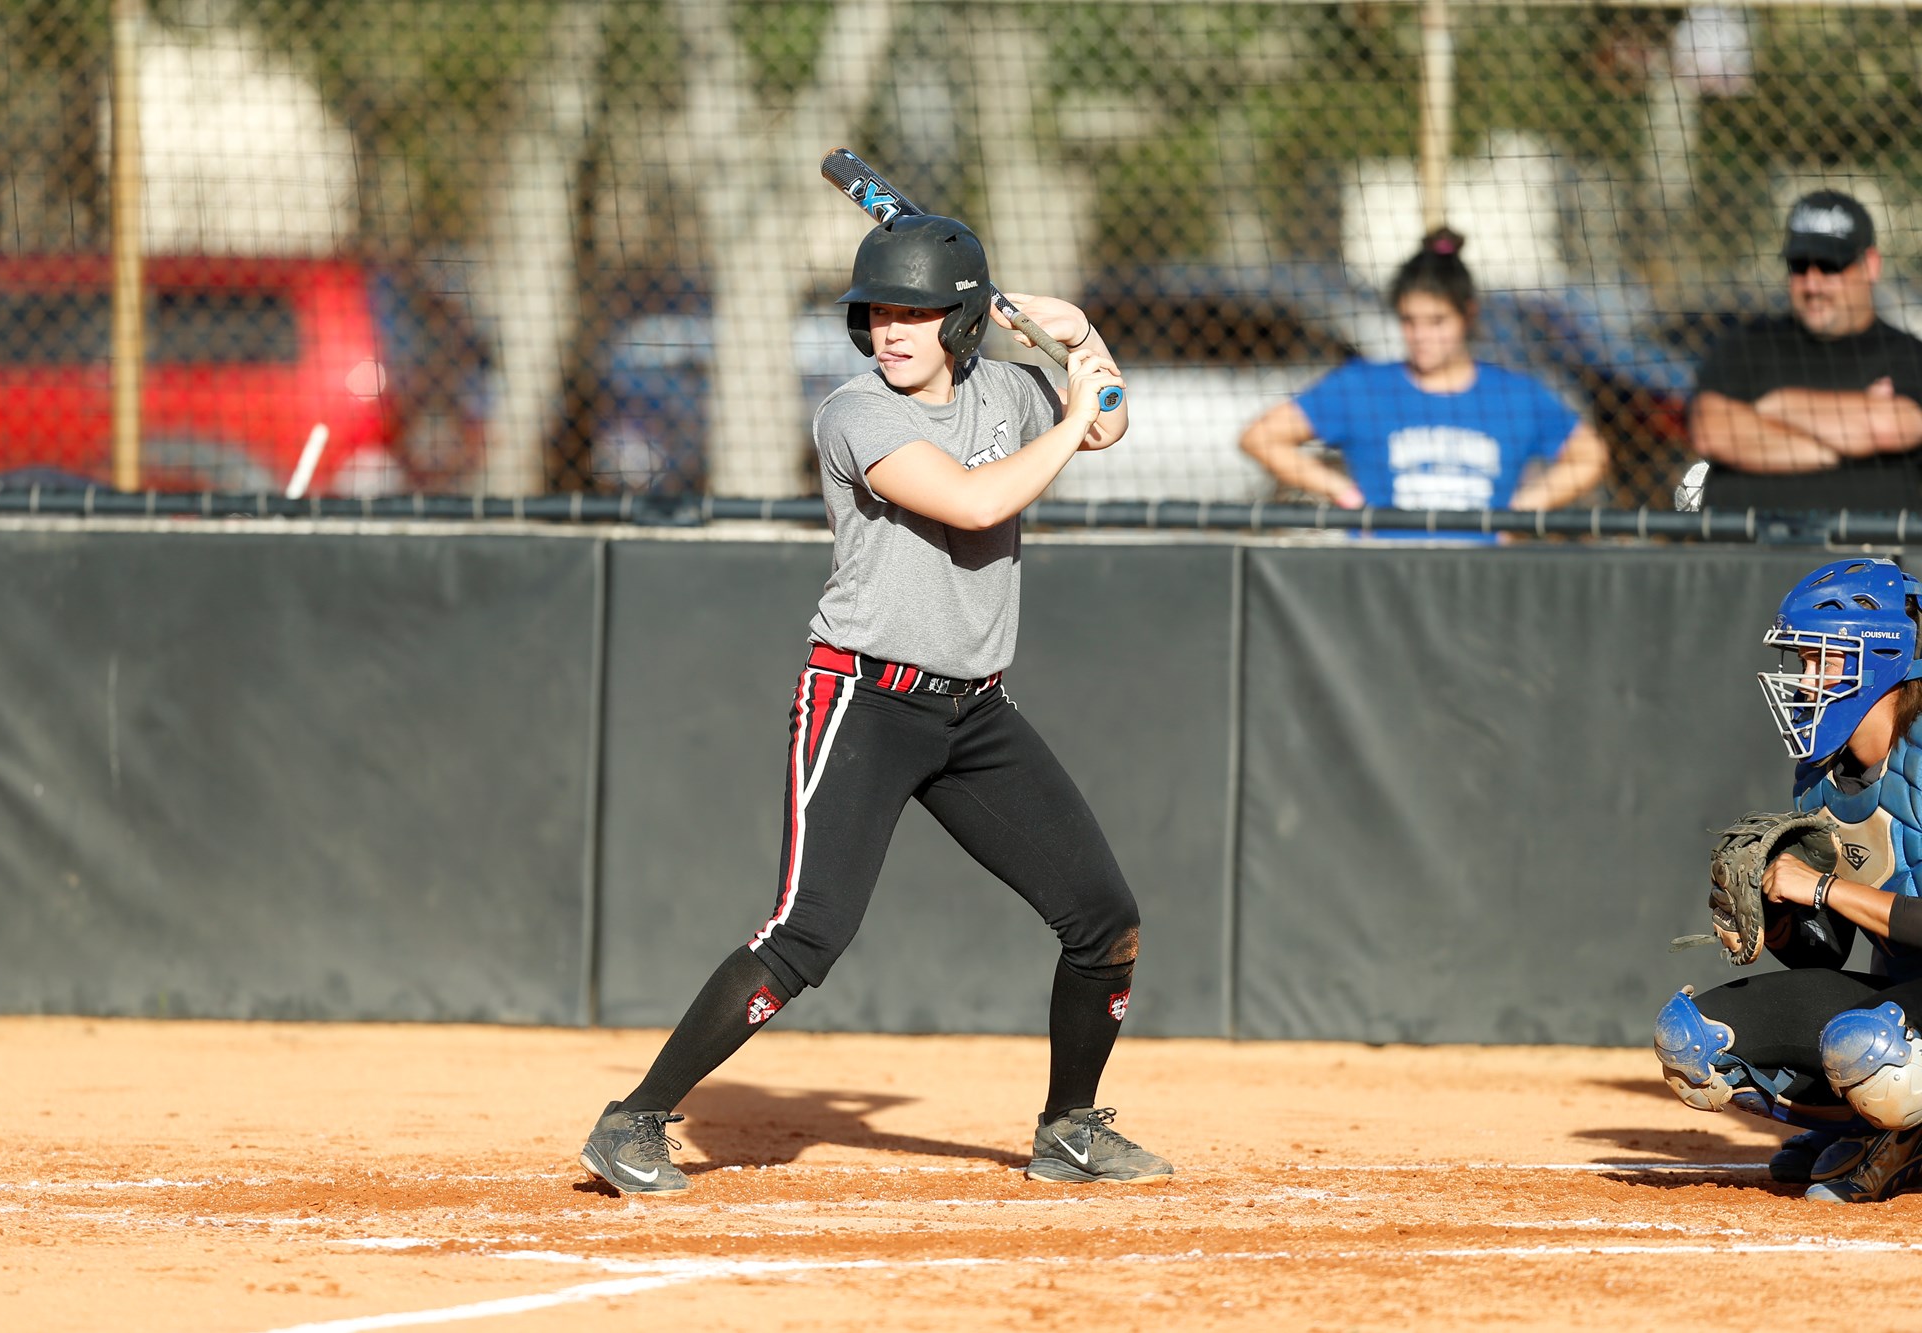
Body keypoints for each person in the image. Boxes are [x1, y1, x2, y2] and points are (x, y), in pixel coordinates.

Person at [577, 213, 1172, 1194]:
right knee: (805, 936)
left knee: (1104, 919)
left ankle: (1068, 1131)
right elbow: (977, 501)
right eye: (878, 313)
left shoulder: (1004, 388)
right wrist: (1071, 408)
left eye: (917, 312)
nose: (891, 331)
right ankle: (633, 1119)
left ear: (964, 320)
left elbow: (1106, 421)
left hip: (974, 713)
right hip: (861, 697)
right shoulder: (856, 413)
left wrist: (1079, 344)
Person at [1654, 556, 1922, 1204]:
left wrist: (1824, 889)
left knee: (1870, 1049)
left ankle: (1905, 1136)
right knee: (1690, 1041)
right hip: (1903, 993)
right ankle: (1874, 1122)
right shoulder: (1818, 771)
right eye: (1800, 661)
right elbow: (1825, 950)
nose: (1803, 680)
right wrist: (1776, 914)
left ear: (1880, 658)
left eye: (1818, 659)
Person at [1237, 229, 1606, 518]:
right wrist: (1342, 492)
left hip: (1480, 570)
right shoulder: (1362, 386)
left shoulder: (1514, 395)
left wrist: (1521, 512)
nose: (1422, 336)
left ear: (1468, 315)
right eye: (1410, 321)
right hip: (1390, 566)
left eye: (1437, 321)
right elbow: (1262, 438)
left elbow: (1589, 456)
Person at [1689, 191, 1922, 512]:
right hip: (1748, 553)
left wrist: (1776, 406)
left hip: (1873, 555)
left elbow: (1891, 426)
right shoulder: (1746, 344)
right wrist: (1838, 448)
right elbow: (1713, 432)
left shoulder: (1907, 354)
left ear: (1870, 265)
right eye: (1799, 266)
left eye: (1829, 266)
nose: (1812, 286)